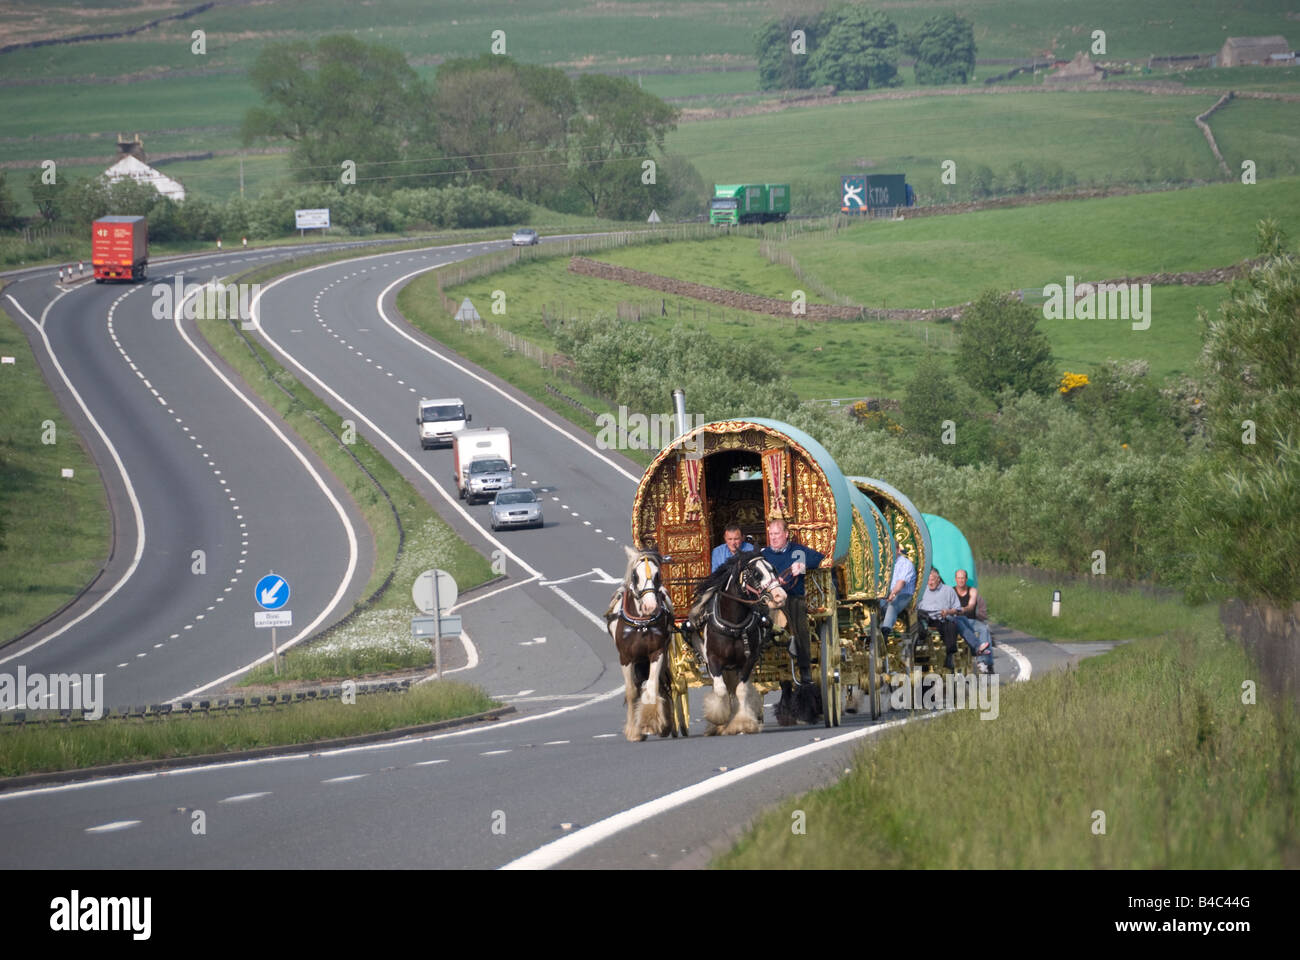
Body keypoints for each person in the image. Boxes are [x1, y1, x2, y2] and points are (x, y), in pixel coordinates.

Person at [762, 517, 825, 685]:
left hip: (792, 597)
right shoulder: (763, 554)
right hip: (770, 598)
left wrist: (801, 567)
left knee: (799, 622)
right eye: (771, 534)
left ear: (786, 534)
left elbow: (820, 558)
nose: (773, 538)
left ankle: (805, 669)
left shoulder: (798, 552)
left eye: (777, 534)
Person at [917, 569, 962, 670]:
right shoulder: (922, 590)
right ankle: (920, 650)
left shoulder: (948, 590)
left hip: (941, 618)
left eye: (932, 580)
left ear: (938, 579)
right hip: (926, 618)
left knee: (951, 625)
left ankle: (949, 655)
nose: (930, 582)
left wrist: (947, 612)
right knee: (917, 620)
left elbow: (957, 609)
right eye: (928, 580)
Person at [953, 568, 993, 673]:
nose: (961, 580)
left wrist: (963, 609)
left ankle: (983, 661)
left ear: (966, 579)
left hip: (971, 620)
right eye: (959, 578)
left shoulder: (972, 591)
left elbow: (971, 606)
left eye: (963, 578)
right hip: (956, 619)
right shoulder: (951, 591)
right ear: (955, 579)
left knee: (984, 629)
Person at [879, 537, 916, 634]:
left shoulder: (905, 564)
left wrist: (893, 594)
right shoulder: (884, 564)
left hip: (903, 595)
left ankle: (886, 630)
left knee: (893, 603)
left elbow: (901, 583)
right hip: (885, 595)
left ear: (898, 550)